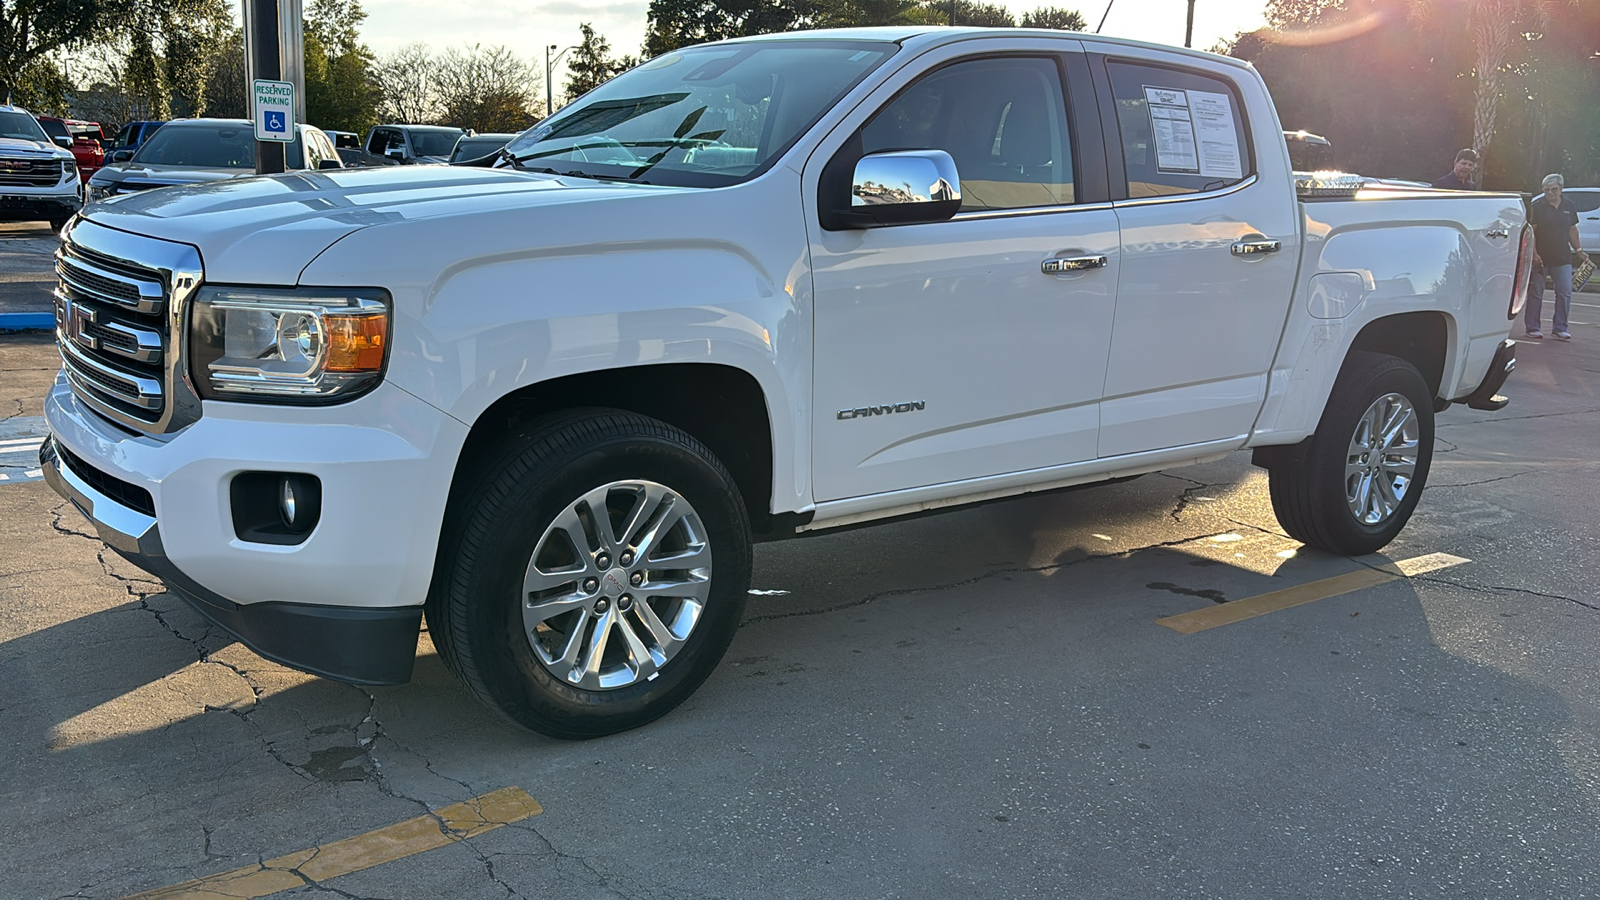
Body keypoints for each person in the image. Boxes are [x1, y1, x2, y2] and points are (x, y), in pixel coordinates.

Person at [1525, 173, 1587, 340]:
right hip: (1541, 257)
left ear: (1561, 189)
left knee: (1565, 291)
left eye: (1554, 190)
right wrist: (1534, 254)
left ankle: (1560, 327)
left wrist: (1579, 250)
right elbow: (1532, 231)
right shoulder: (1537, 206)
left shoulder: (1569, 205)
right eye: (1546, 190)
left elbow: (1572, 230)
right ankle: (1532, 327)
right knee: (1536, 292)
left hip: (1562, 256)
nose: (1550, 193)